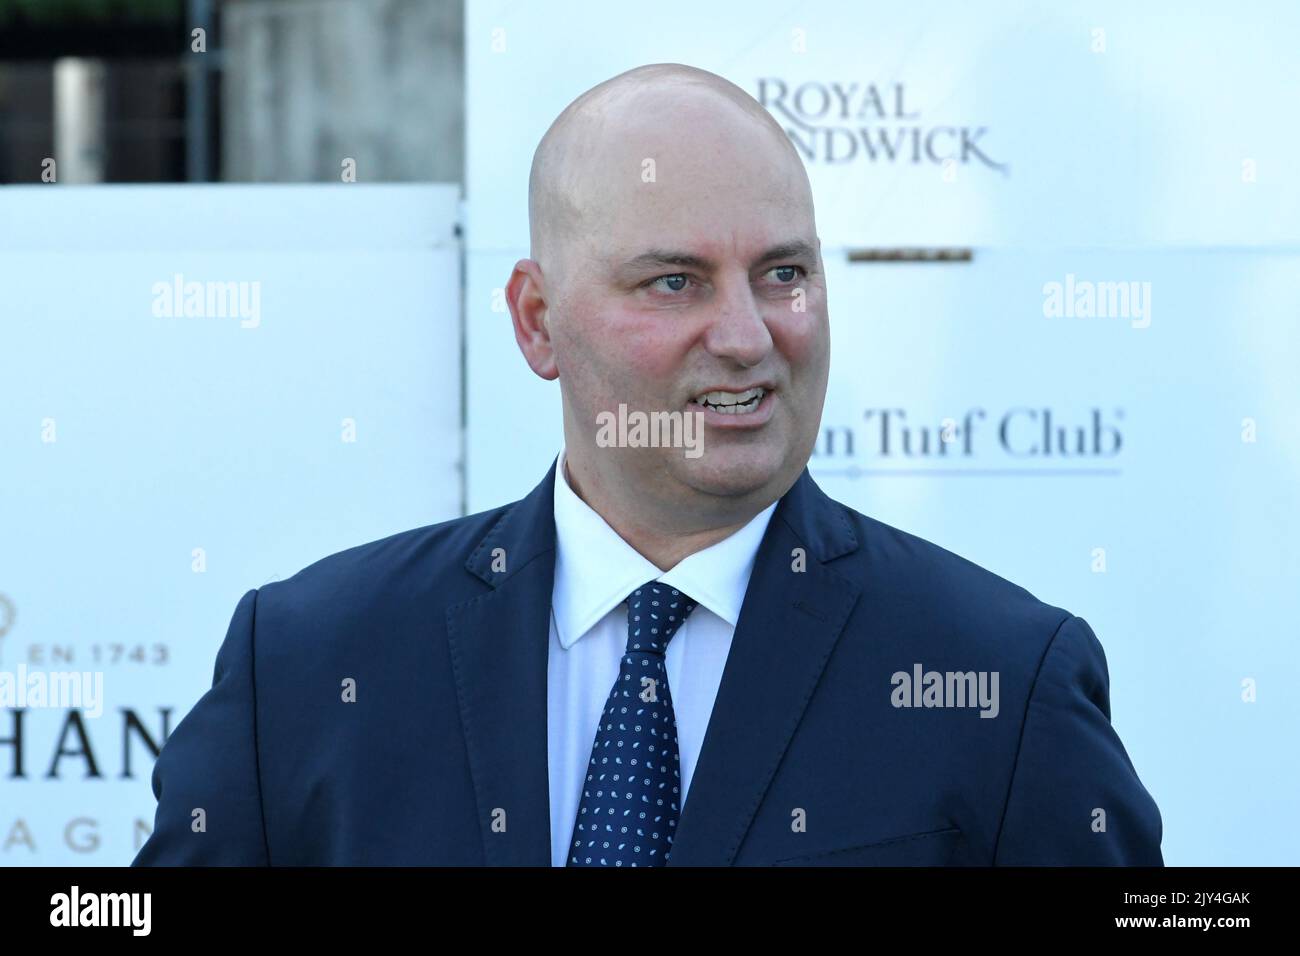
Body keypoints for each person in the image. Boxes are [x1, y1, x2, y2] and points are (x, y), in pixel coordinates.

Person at [134, 63, 1162, 867]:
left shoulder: (1001, 678)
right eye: (674, 281)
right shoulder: (309, 663)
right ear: (538, 322)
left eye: (783, 273)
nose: (749, 334)